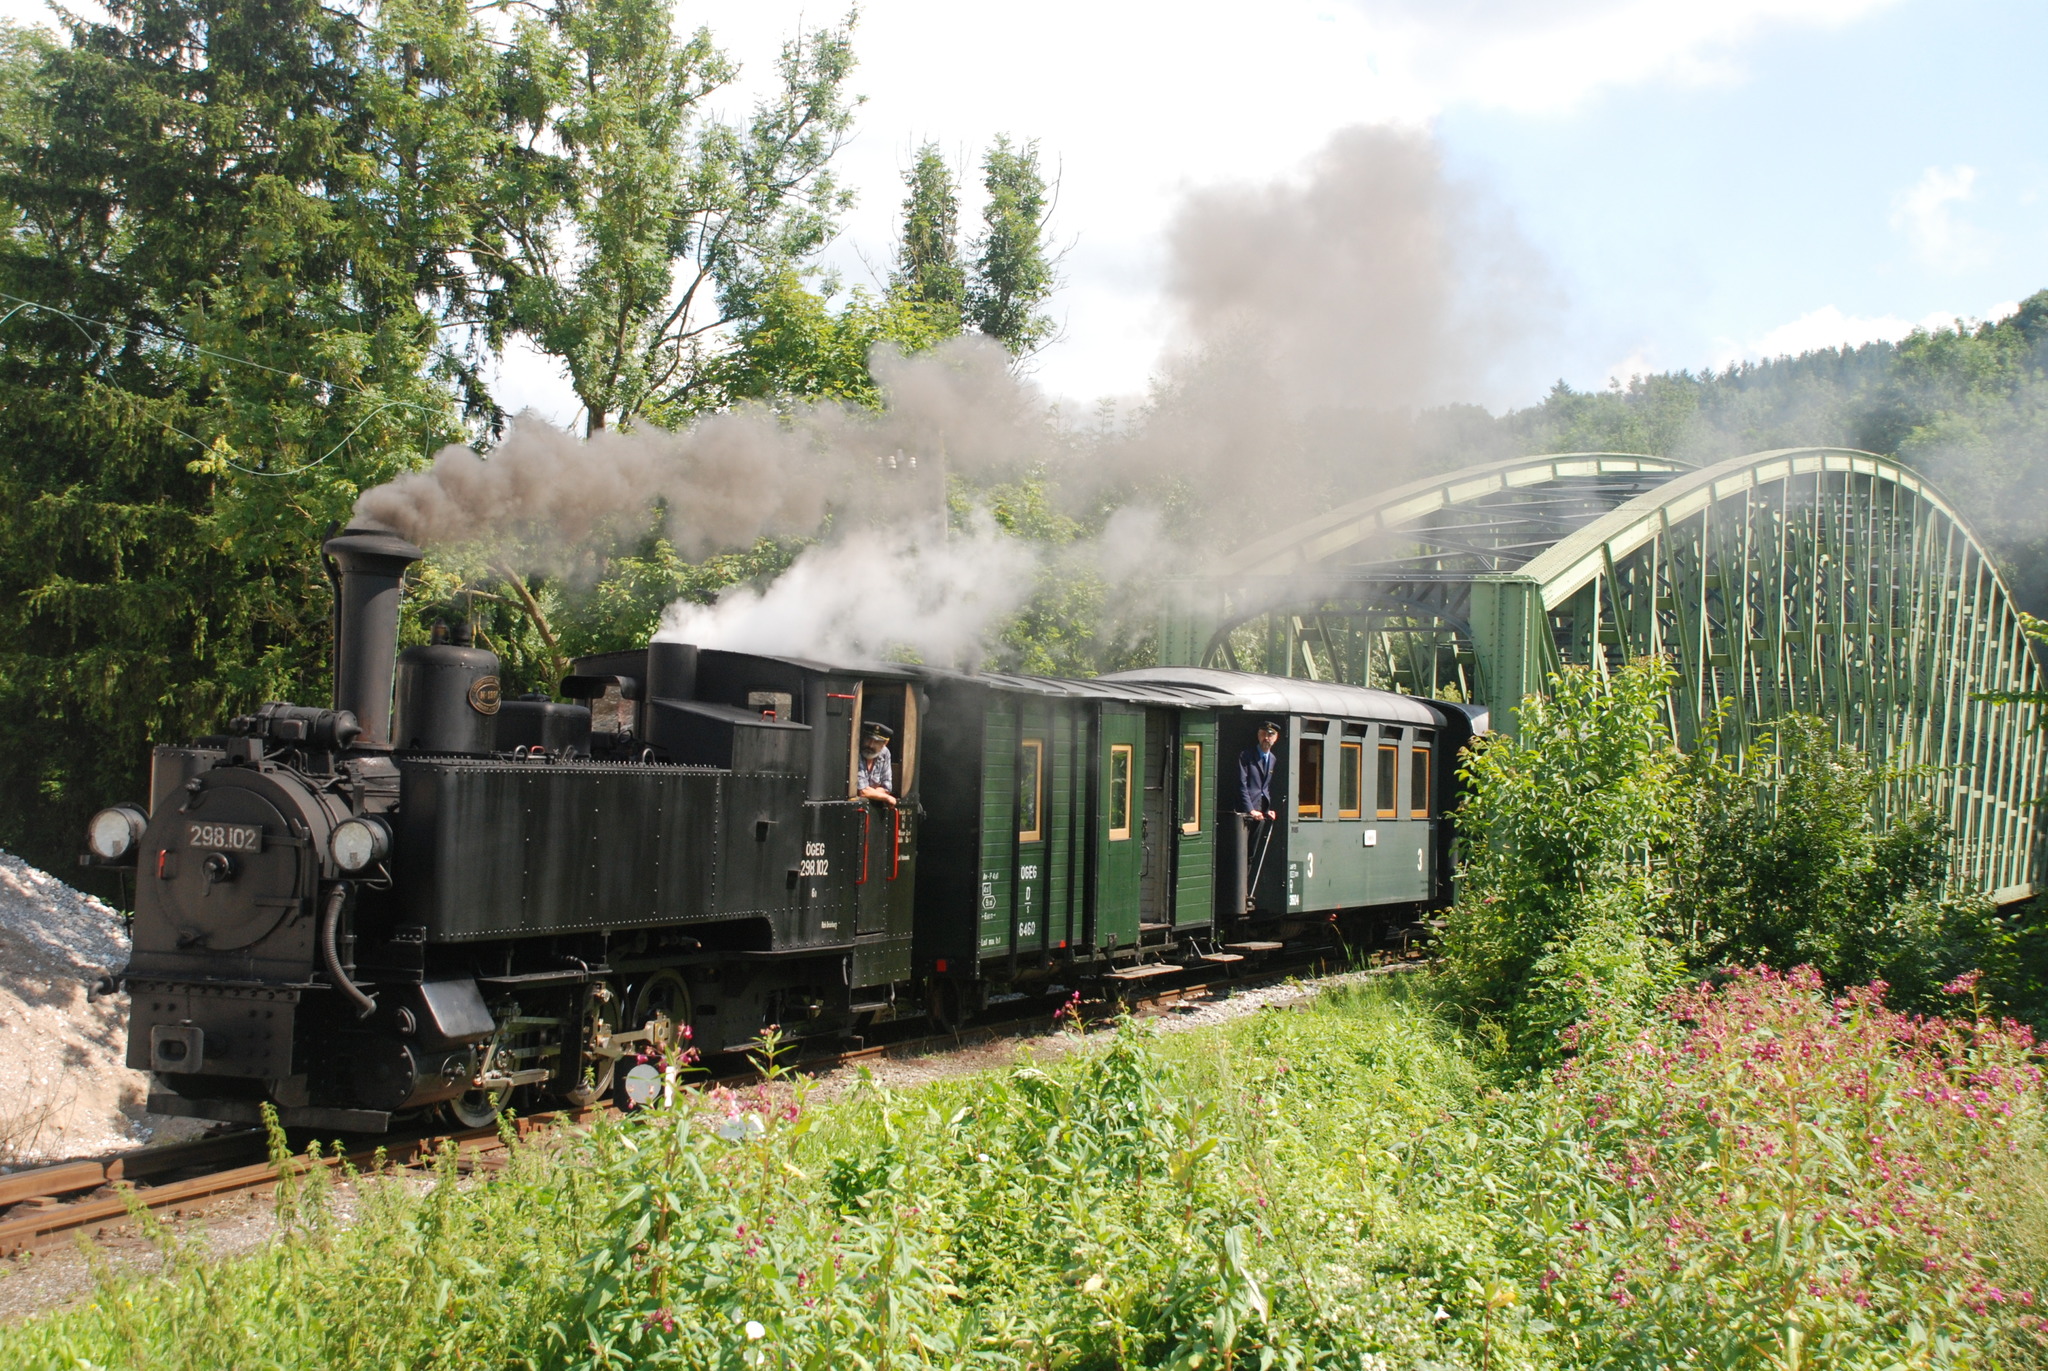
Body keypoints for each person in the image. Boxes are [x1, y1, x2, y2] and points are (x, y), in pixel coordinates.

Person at [1238, 721, 1281, 823]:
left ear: (1275, 738)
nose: (1266, 738)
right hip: (1246, 812)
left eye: (1270, 735)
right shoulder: (1246, 755)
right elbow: (1241, 784)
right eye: (1263, 734)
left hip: (1262, 810)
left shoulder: (1272, 758)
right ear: (1258, 735)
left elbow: (1265, 787)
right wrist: (1250, 810)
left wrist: (1267, 810)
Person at [858, 721, 896, 806]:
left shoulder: (885, 753)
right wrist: (886, 797)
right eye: (868, 739)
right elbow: (862, 791)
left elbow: (887, 787)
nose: (870, 745)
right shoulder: (856, 753)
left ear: (884, 743)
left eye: (876, 742)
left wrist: (872, 794)